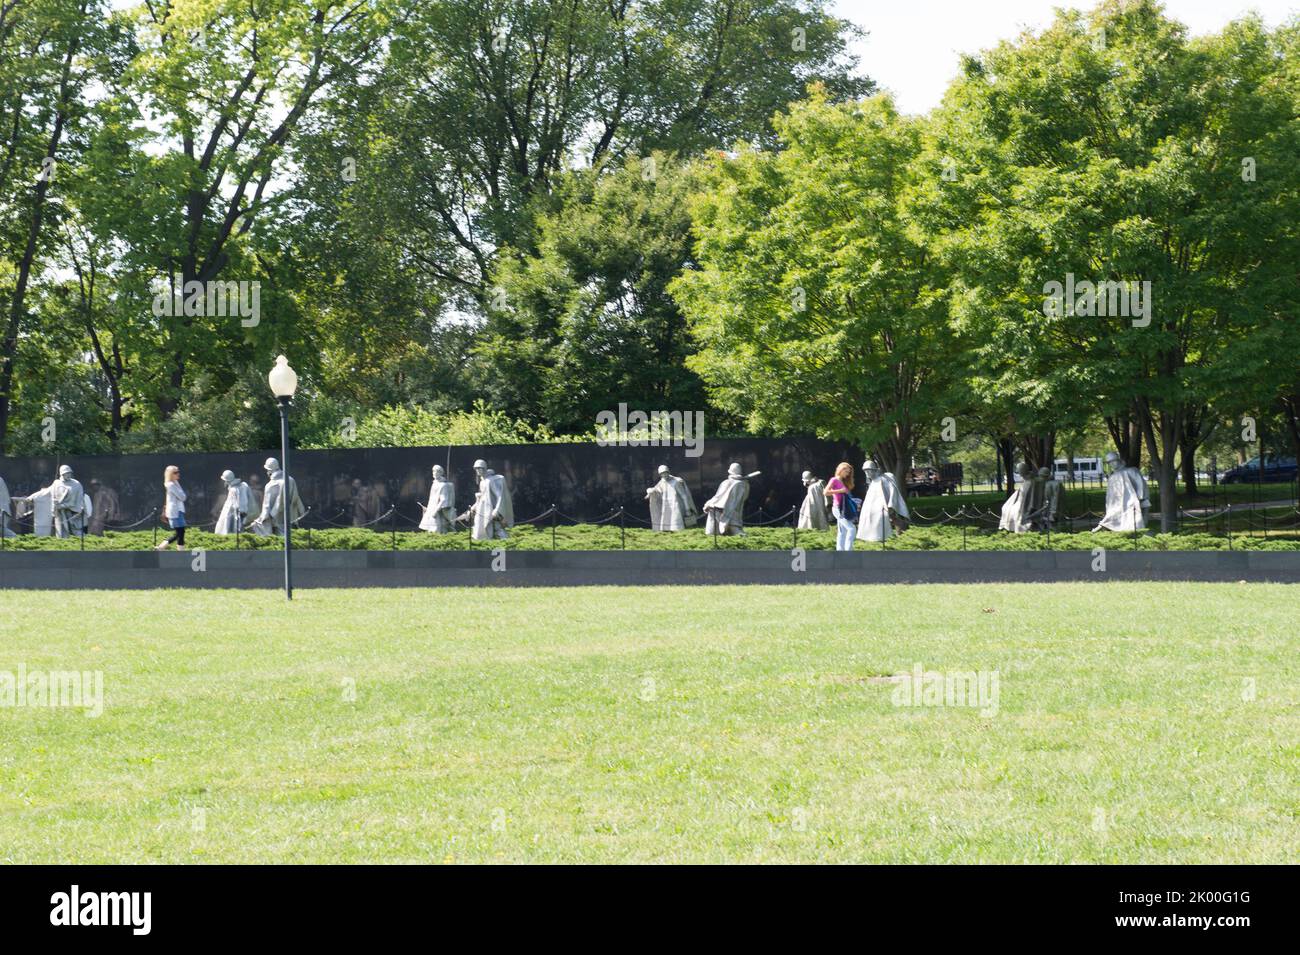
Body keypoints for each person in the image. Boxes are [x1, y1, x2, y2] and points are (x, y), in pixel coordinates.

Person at [1093, 451, 1150, 532]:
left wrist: (1142, 499)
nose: (1112, 464)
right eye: (1109, 462)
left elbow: (1141, 486)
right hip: (1117, 505)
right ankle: (1104, 524)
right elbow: (1110, 497)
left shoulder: (1132, 471)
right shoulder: (1112, 477)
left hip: (1131, 503)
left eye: (1113, 461)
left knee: (1133, 521)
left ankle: (1104, 525)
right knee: (1114, 513)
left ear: (1118, 460)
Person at [459, 459, 513, 540]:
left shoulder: (490, 481)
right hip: (482, 510)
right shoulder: (482, 482)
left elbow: (499, 496)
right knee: (480, 526)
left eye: (479, 468)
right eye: (476, 469)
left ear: (484, 468)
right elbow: (481, 499)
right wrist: (472, 509)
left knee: (498, 529)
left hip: (491, 510)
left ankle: (508, 544)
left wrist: (497, 510)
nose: (478, 470)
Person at [252, 457, 306, 535]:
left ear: (270, 470)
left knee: (279, 543)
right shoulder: (290, 480)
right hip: (291, 519)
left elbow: (267, 507)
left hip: (276, 522)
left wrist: (263, 519)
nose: (267, 472)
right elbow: (296, 499)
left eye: (267, 470)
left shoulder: (270, 485)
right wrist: (302, 511)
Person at [859, 459, 909, 543]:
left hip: (884, 509)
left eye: (869, 470)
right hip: (876, 510)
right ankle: (878, 538)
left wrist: (890, 505)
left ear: (874, 470)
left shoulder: (882, 480)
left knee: (891, 520)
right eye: (865, 471)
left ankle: (899, 536)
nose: (867, 473)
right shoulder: (873, 482)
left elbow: (891, 492)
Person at [703, 463, 758, 536]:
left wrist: (708, 503)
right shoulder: (744, 484)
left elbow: (718, 497)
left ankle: (714, 532)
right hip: (735, 514)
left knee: (711, 509)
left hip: (723, 511)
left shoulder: (727, 482)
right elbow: (745, 497)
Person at [646, 464, 698, 531]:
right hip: (666, 505)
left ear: (668, 472)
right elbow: (657, 490)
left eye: (665, 473)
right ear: (660, 475)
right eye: (662, 474)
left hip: (675, 505)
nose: (664, 475)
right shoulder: (662, 482)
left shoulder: (676, 482)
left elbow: (683, 496)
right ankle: (666, 529)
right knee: (666, 518)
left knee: (675, 518)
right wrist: (650, 491)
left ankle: (677, 529)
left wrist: (687, 508)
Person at [50, 465, 91, 538]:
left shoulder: (76, 484)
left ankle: (83, 544)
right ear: (62, 474)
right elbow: (52, 495)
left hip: (73, 512)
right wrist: (54, 508)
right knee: (61, 533)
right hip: (59, 513)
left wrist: (61, 506)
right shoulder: (56, 483)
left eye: (69, 473)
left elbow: (74, 501)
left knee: (76, 531)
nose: (68, 475)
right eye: (66, 473)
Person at [823, 462, 857, 550]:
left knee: (842, 532)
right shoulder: (834, 480)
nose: (847, 474)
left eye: (849, 472)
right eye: (846, 471)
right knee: (851, 528)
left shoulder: (844, 481)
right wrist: (840, 491)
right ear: (841, 470)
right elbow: (825, 492)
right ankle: (848, 551)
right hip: (838, 508)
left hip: (844, 508)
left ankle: (840, 551)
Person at [155, 465, 187, 551]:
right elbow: (183, 497)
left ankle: (162, 547)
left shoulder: (175, 483)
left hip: (178, 511)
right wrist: (182, 494)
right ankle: (163, 547)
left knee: (180, 532)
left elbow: (182, 496)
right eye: (175, 472)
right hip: (175, 512)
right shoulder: (170, 485)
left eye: (178, 472)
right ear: (170, 474)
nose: (178, 474)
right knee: (180, 532)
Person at [998, 463, 1037, 533]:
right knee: (1005, 507)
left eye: (1020, 470)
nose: (1019, 472)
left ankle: (1017, 527)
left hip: (1025, 504)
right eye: (1018, 470)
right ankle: (1009, 525)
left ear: (1024, 470)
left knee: (1014, 511)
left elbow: (1028, 497)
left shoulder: (1031, 481)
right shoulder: (1026, 481)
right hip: (1019, 501)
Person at [419, 464, 456, 533]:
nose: (435, 473)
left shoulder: (443, 485)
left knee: (437, 530)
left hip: (437, 511)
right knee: (430, 529)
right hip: (431, 509)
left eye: (437, 471)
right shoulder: (434, 483)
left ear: (441, 473)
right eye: (434, 471)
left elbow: (443, 500)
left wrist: (435, 511)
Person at [215, 469, 253, 535]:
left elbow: (233, 506)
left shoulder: (233, 490)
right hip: (244, 513)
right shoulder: (243, 485)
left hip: (238, 515)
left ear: (226, 481)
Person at [1032, 466, 1062, 530]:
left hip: (1052, 513)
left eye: (1041, 477)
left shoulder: (1052, 485)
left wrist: (1053, 513)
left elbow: (1054, 499)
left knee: (1053, 528)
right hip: (1046, 511)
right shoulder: (1045, 484)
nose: (1040, 479)